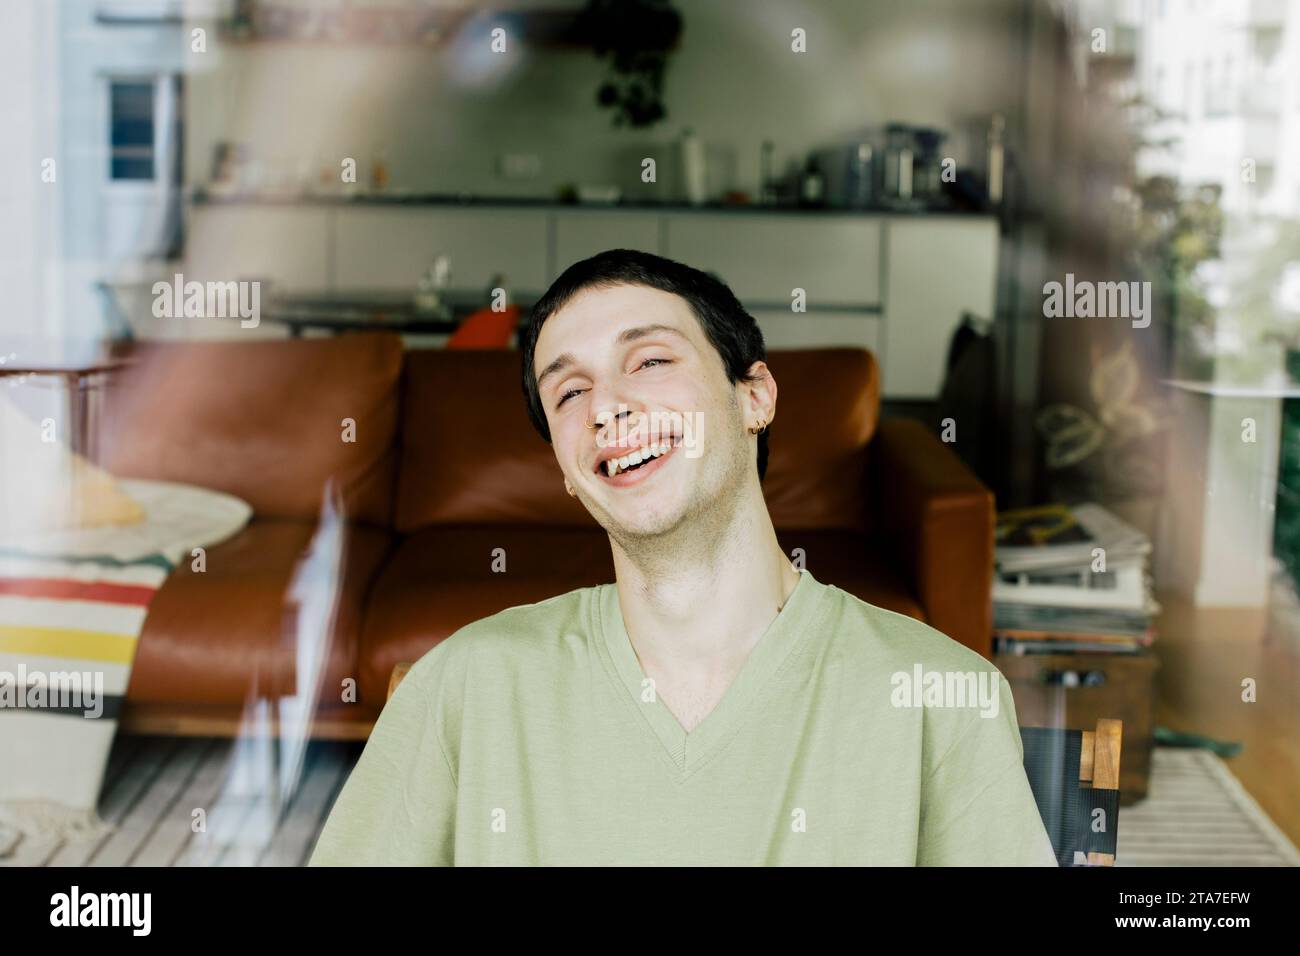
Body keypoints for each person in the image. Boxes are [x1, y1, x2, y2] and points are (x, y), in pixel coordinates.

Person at [310, 249, 1057, 866]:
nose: (606, 406)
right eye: (569, 391)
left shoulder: (943, 699)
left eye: (649, 360)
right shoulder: (467, 682)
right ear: (568, 474)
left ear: (754, 396)